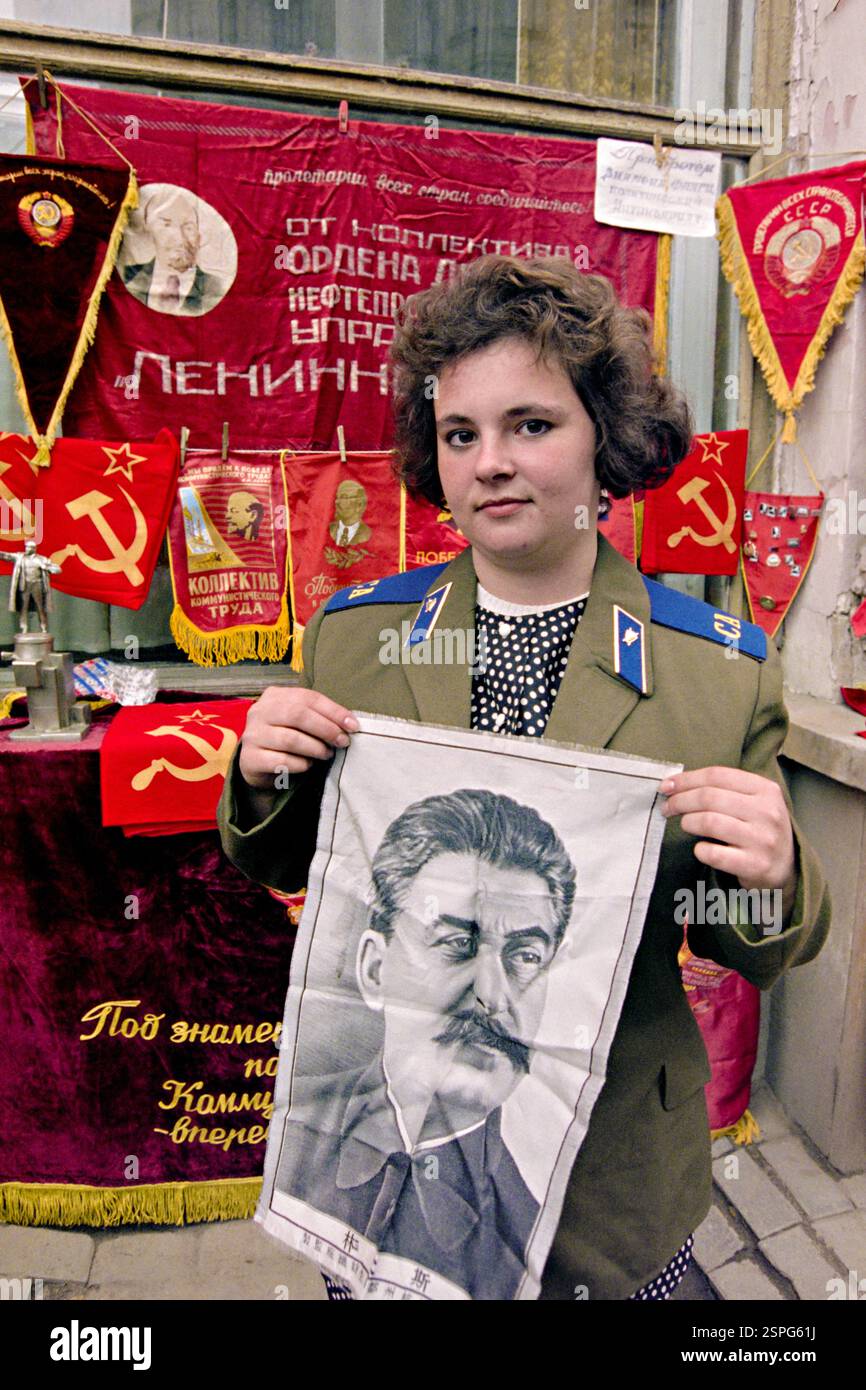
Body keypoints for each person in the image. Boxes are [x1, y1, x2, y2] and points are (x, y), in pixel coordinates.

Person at [218, 255, 831, 1301]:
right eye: (461, 435)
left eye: (531, 425)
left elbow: (738, 937)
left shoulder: (715, 669)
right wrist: (260, 777)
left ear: (605, 438)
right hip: (392, 1162)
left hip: (611, 1177)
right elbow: (294, 860)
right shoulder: (355, 641)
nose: (491, 462)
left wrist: (769, 873)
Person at [271, 786, 575, 1299]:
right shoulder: (300, 1134)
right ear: (374, 968)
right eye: (458, 943)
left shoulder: (544, 1217)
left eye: (525, 955)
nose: (492, 996)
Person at [122, 188, 226, 316]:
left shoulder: (217, 288)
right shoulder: (126, 277)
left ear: (199, 238)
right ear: (150, 232)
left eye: (188, 227)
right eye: (167, 225)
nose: (179, 237)